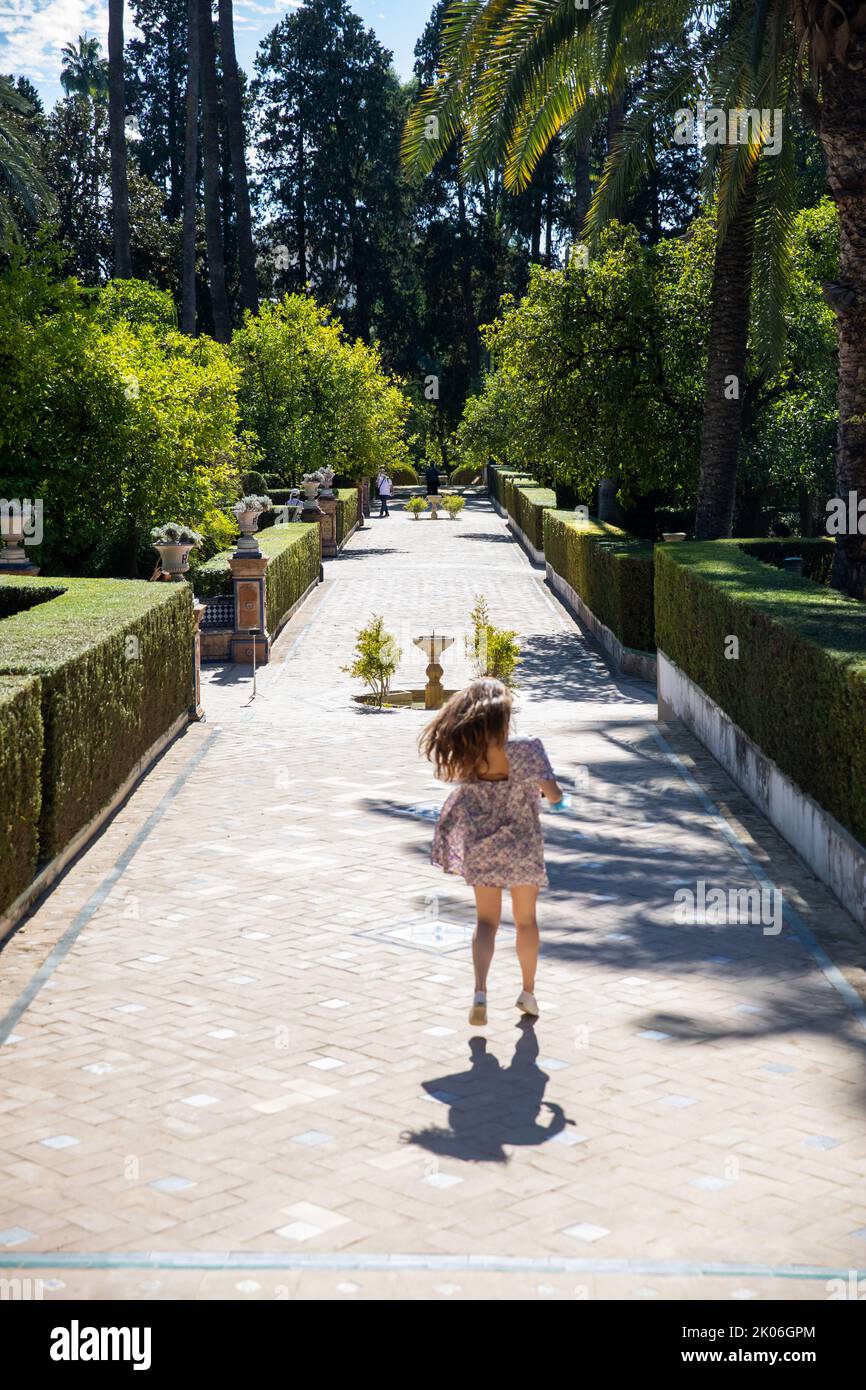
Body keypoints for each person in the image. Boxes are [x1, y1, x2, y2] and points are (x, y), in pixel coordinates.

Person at [419, 678, 568, 1027]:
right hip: (523, 846)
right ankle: (528, 992)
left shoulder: (468, 754)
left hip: (482, 846)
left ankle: (480, 992)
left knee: (485, 923)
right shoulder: (526, 749)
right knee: (526, 921)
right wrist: (553, 798)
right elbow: (555, 795)